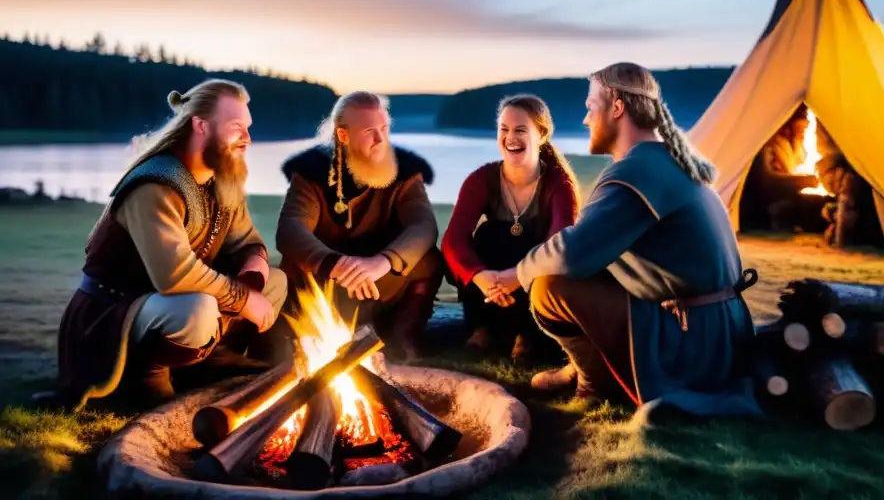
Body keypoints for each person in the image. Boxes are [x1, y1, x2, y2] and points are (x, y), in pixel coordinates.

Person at [485, 63, 764, 424]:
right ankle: (587, 368)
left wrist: (514, 275)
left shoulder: (639, 171)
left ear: (616, 106)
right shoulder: (662, 161)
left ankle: (594, 383)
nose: (586, 119)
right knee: (583, 274)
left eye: (590, 107)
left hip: (695, 346)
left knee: (548, 286)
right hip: (716, 332)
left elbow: (572, 252)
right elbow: (600, 250)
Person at [41, 79, 287, 411]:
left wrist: (254, 262)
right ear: (200, 125)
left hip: (173, 302)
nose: (247, 137)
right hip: (116, 312)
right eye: (236, 127)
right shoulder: (156, 184)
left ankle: (203, 363)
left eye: (248, 127)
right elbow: (174, 275)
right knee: (197, 308)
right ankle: (146, 376)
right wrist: (243, 299)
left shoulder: (221, 176)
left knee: (276, 281)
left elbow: (246, 239)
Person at [275, 91, 442, 361]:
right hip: (331, 283)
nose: (380, 139)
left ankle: (404, 338)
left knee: (428, 259)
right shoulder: (312, 172)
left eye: (384, 129)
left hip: (381, 282)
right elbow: (290, 230)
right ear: (343, 136)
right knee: (294, 265)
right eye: (369, 131)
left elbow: (423, 226)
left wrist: (383, 262)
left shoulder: (404, 171)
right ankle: (313, 341)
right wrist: (336, 264)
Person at [441, 94, 582, 365]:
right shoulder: (482, 178)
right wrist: (480, 276)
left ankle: (528, 333)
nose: (510, 138)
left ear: (541, 135)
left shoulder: (558, 185)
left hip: (532, 278)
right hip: (491, 282)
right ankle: (481, 328)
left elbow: (559, 245)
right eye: (503, 129)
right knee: (486, 237)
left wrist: (516, 276)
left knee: (538, 251)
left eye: (520, 130)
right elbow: (453, 239)